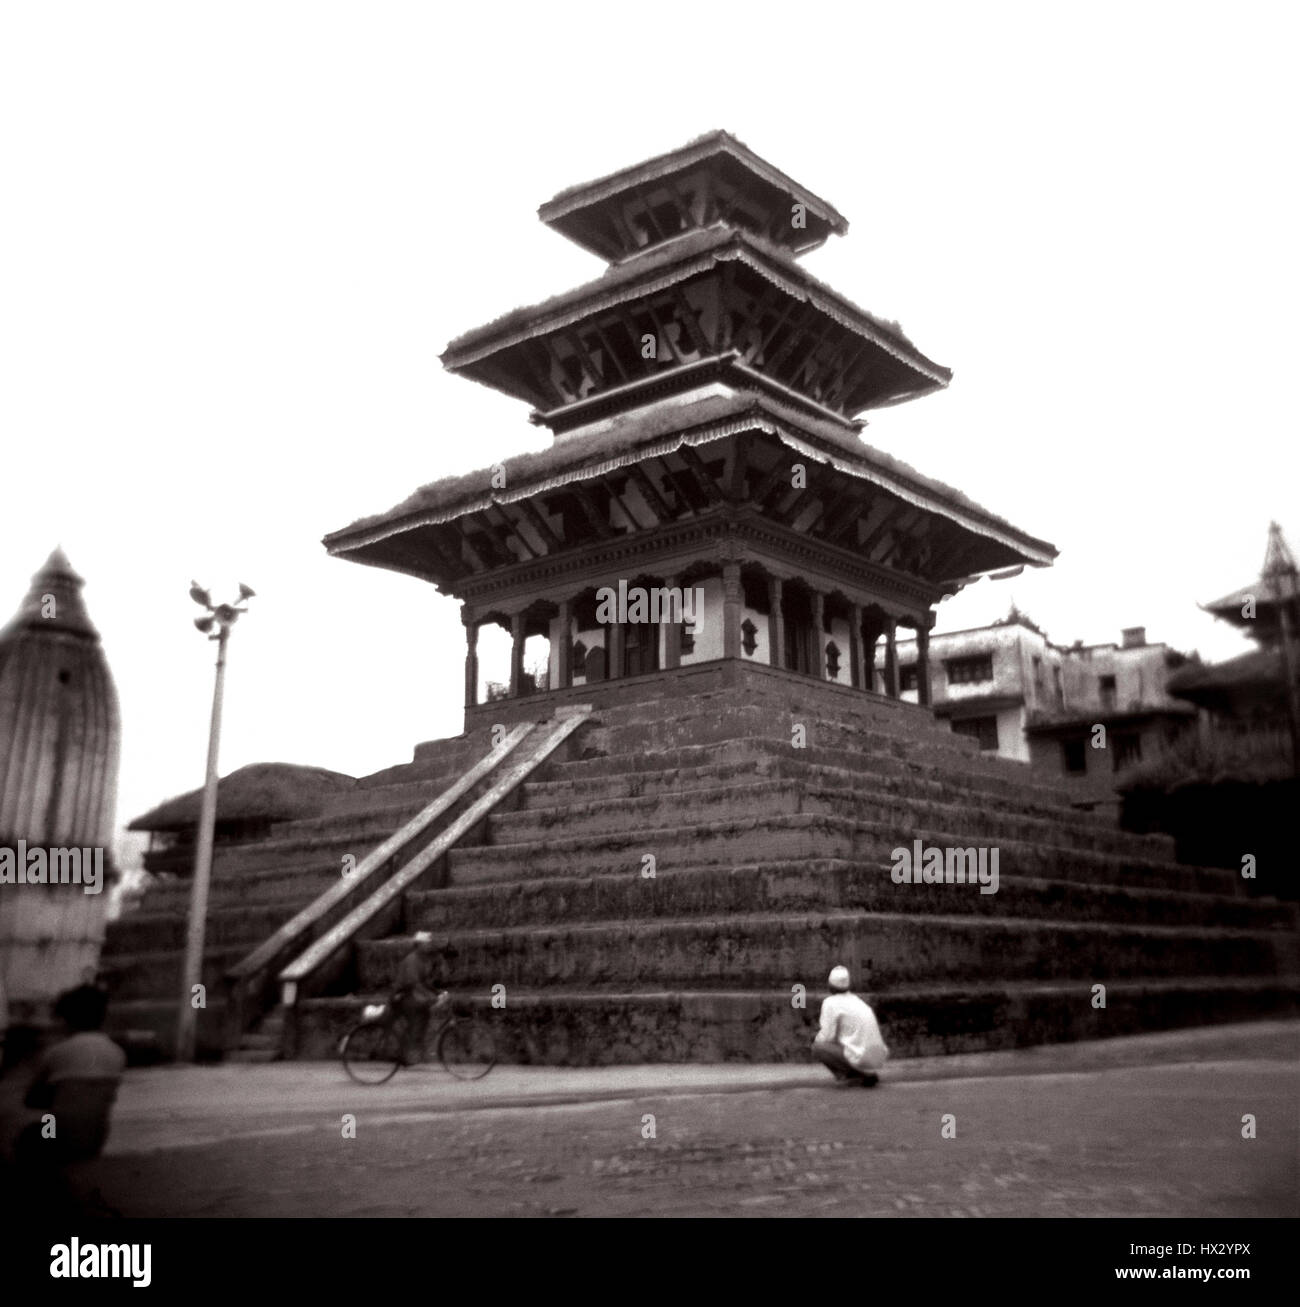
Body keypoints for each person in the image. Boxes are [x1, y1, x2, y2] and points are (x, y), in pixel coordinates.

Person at [15, 984, 126, 1166]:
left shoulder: (57, 1052)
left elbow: (31, 1099)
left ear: (67, 1019)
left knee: (35, 1129)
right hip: (95, 1141)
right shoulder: (117, 1052)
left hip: (58, 1139)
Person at [812, 966, 888, 1087]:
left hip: (862, 1058)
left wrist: (815, 1038)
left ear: (830, 985)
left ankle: (852, 1076)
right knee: (837, 1044)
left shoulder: (830, 1002)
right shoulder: (857, 1000)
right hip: (878, 1056)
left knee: (818, 1047)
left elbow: (827, 1036)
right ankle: (865, 1073)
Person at [390, 932, 446, 1065]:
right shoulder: (412, 960)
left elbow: (425, 982)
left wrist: (437, 992)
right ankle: (405, 1050)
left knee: (423, 1018)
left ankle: (410, 1050)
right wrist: (431, 996)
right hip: (403, 996)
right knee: (418, 1016)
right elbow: (414, 983)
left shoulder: (423, 960)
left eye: (430, 943)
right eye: (427, 943)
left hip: (412, 994)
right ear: (419, 945)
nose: (430, 946)